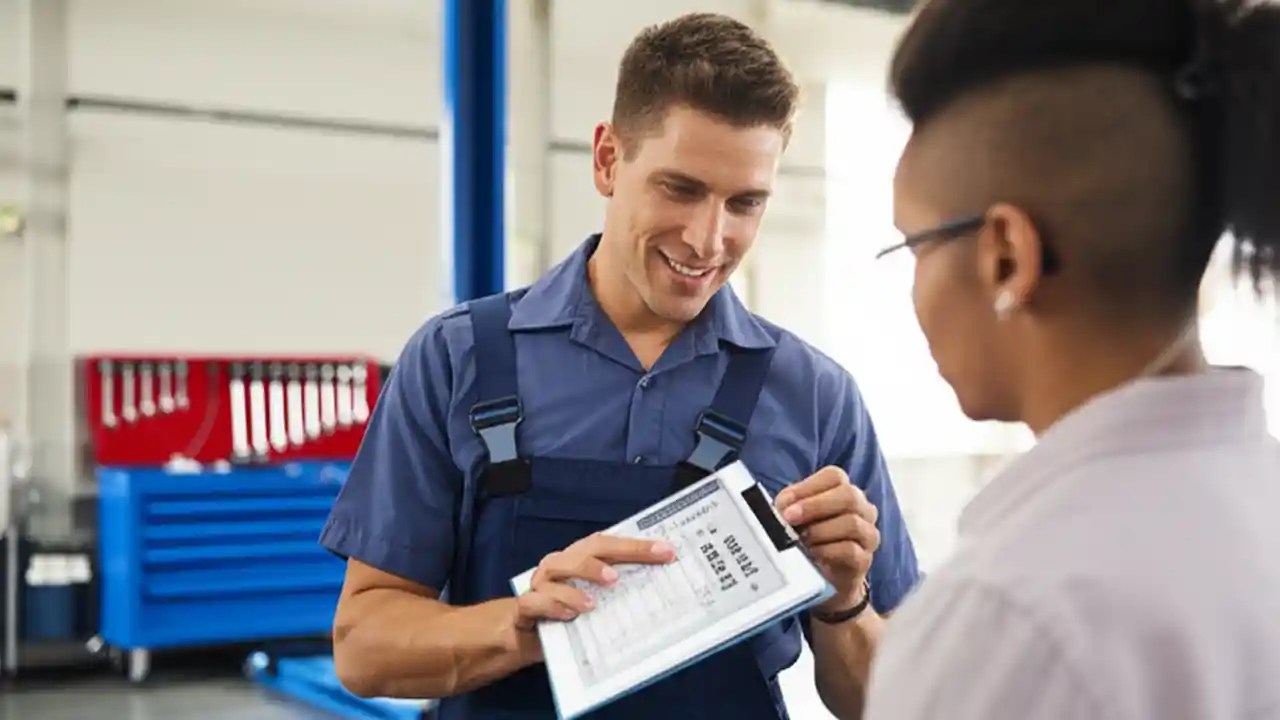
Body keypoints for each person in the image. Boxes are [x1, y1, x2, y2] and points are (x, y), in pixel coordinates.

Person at [320, 12, 920, 720]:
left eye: (745, 203)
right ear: (607, 159)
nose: (708, 239)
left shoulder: (814, 395)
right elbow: (364, 648)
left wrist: (845, 604)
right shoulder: (460, 359)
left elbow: (894, 703)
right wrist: (521, 626)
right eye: (681, 189)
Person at [863, 0, 1280, 718]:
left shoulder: (1006, 618)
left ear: (1007, 257)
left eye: (915, 245)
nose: (914, 285)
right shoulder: (1259, 494)